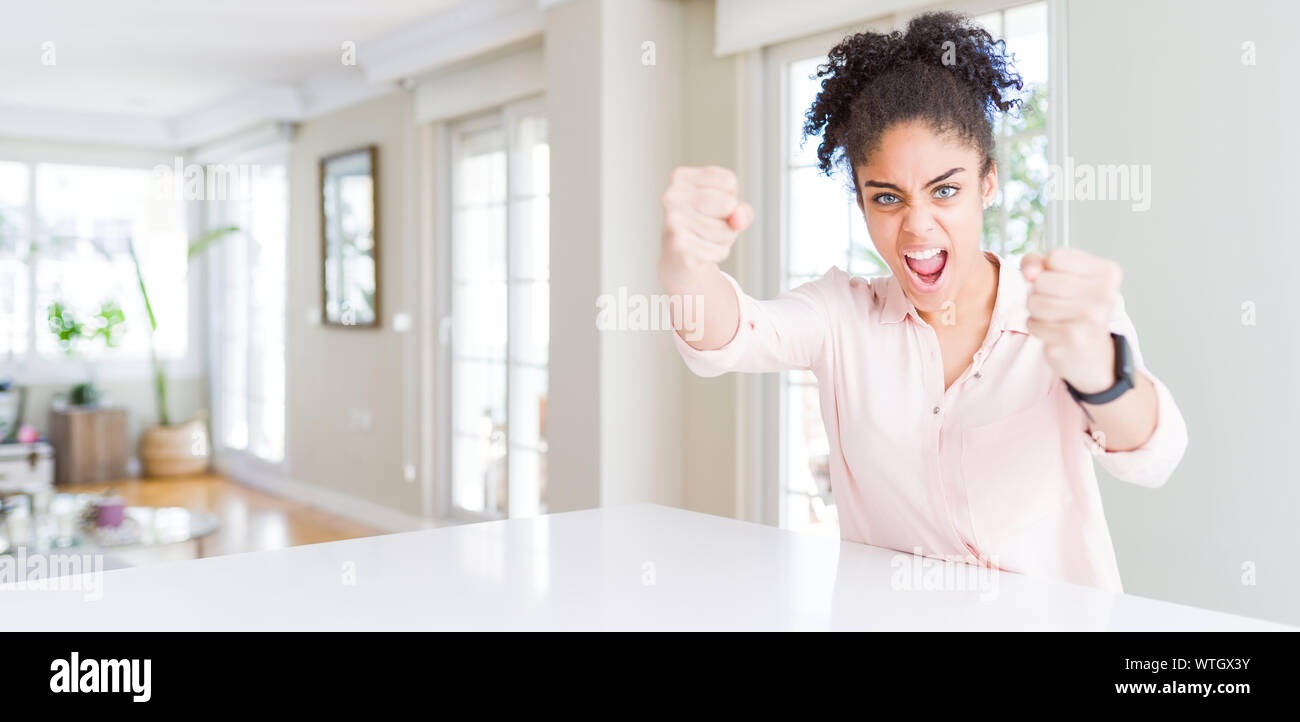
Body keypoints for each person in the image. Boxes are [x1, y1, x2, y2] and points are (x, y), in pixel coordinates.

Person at [657, 11, 1187, 594]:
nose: (918, 225)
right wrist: (686, 265)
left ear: (987, 185)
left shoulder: (1063, 314)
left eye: (945, 190)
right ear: (861, 205)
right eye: (888, 198)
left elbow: (1153, 455)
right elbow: (729, 334)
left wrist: (1095, 372)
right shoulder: (840, 316)